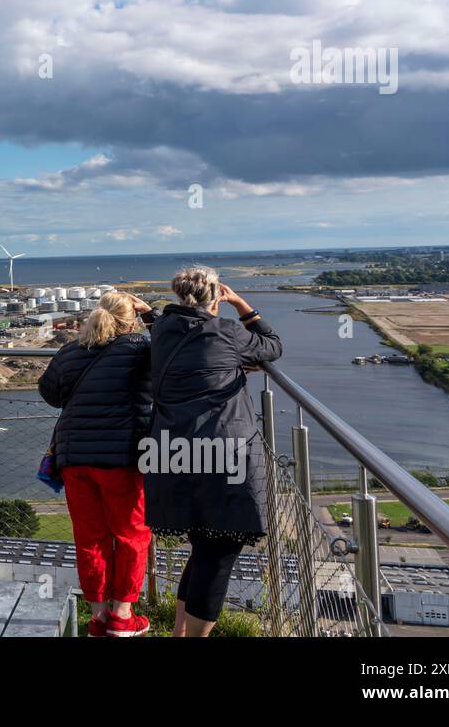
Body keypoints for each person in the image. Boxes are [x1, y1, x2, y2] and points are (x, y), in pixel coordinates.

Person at [144, 265, 282, 637]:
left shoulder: (160, 331)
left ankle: (179, 633)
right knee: (219, 551)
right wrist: (242, 304)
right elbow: (273, 346)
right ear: (215, 297)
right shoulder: (227, 330)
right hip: (223, 452)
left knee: (204, 546)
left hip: (171, 451)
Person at [39, 290, 157, 637]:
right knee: (132, 535)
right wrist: (151, 315)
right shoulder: (142, 349)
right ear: (131, 319)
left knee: (90, 538)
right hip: (123, 458)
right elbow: (175, 346)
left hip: (74, 456)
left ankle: (99, 616)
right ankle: (123, 615)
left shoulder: (71, 351)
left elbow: (49, 393)